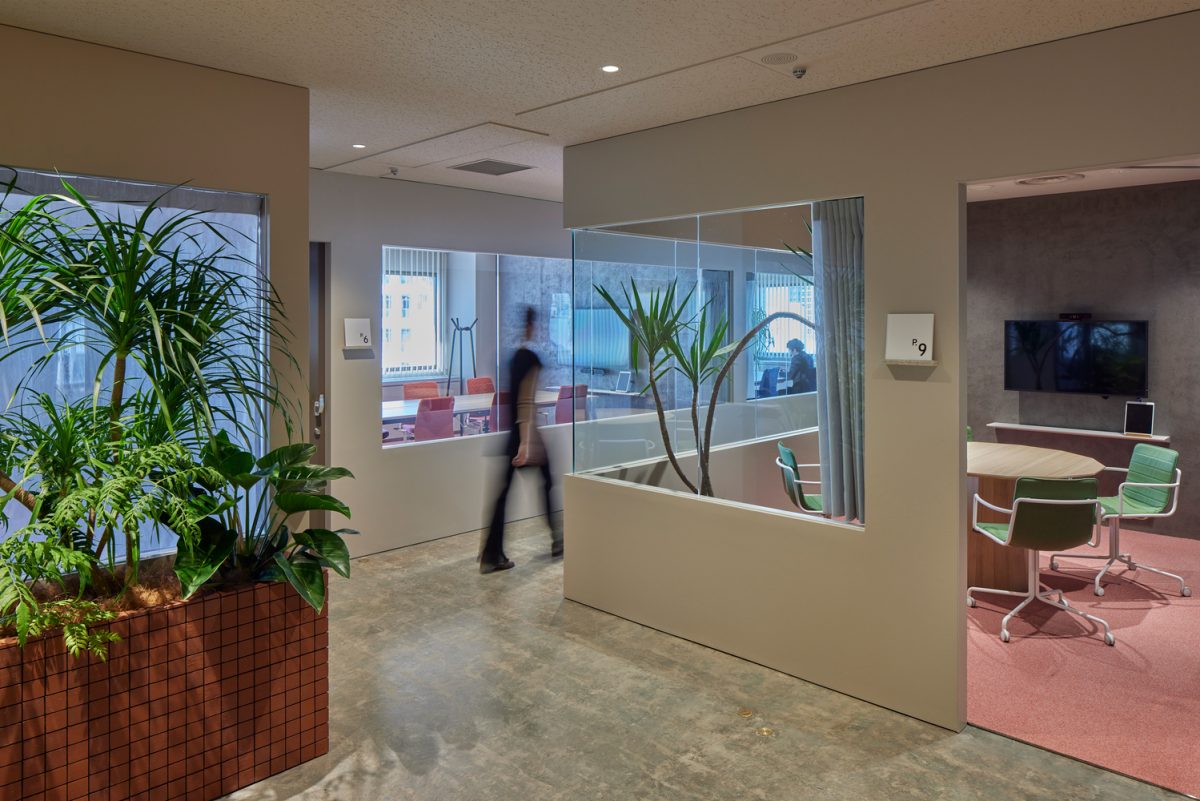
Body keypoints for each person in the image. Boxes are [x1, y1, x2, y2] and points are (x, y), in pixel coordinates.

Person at [480, 306, 563, 573]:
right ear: (533, 326)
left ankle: (491, 554)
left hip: (514, 434)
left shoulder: (513, 358)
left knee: (504, 494)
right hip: (524, 435)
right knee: (546, 482)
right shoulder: (531, 359)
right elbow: (526, 401)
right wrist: (528, 443)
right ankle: (557, 539)